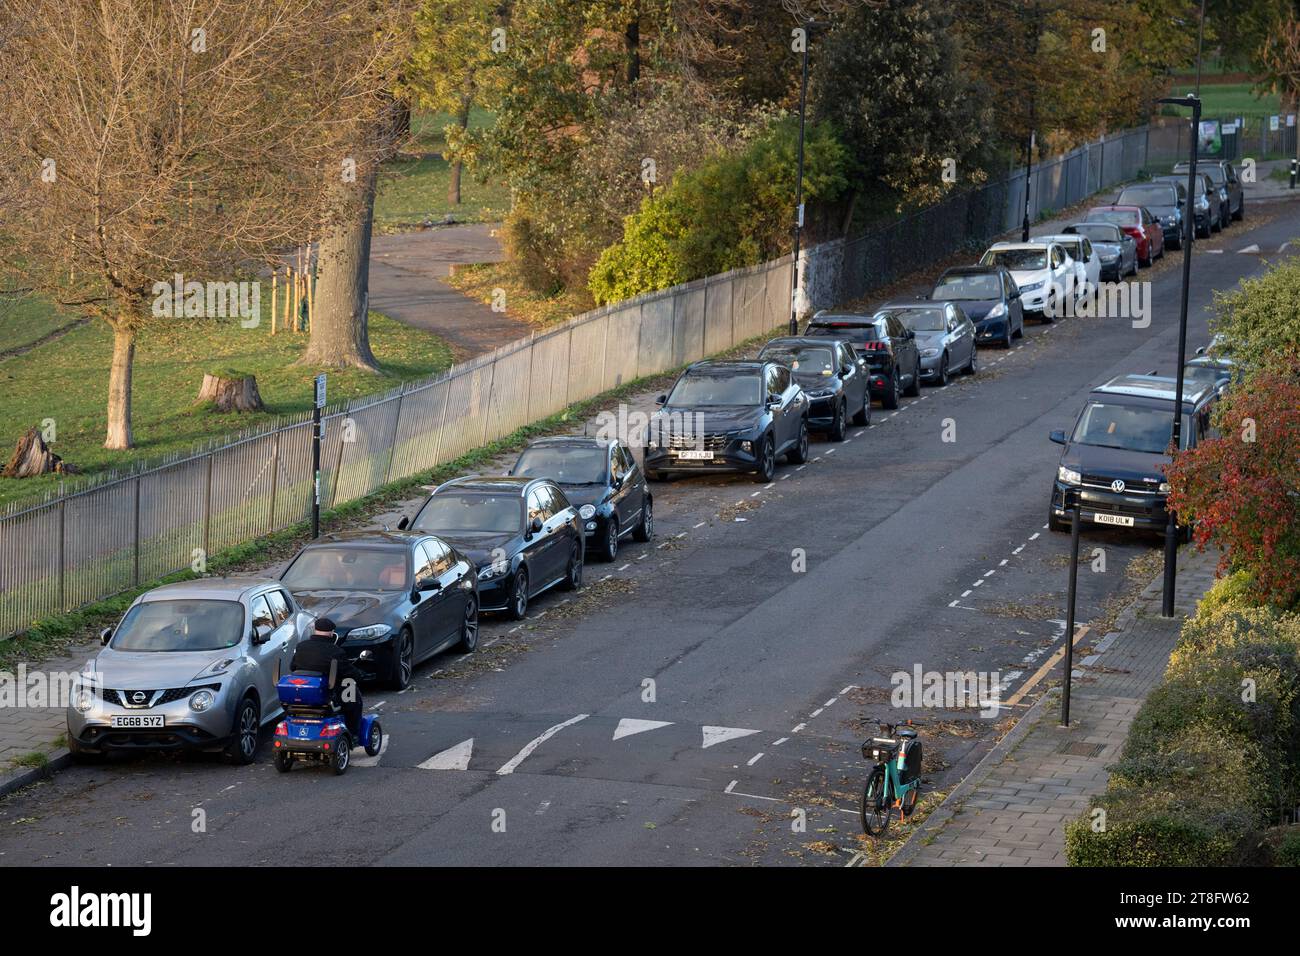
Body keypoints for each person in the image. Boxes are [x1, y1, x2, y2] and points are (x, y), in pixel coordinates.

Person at [290, 618, 364, 738]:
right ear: (331, 633)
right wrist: (359, 675)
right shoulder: (335, 651)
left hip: (302, 692)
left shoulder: (301, 647)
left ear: (315, 630)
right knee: (353, 699)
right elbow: (348, 672)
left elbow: (292, 667)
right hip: (326, 694)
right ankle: (353, 733)